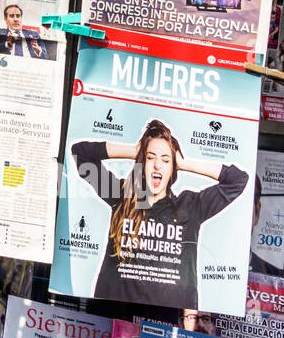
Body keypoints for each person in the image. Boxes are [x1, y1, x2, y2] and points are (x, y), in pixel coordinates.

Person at [70, 121, 249, 309]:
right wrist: (136, 151)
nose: (157, 166)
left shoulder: (191, 206)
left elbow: (237, 180)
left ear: (173, 168)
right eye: (150, 158)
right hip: (114, 313)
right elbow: (81, 153)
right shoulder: (121, 194)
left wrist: (183, 163)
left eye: (165, 160)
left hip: (165, 320)